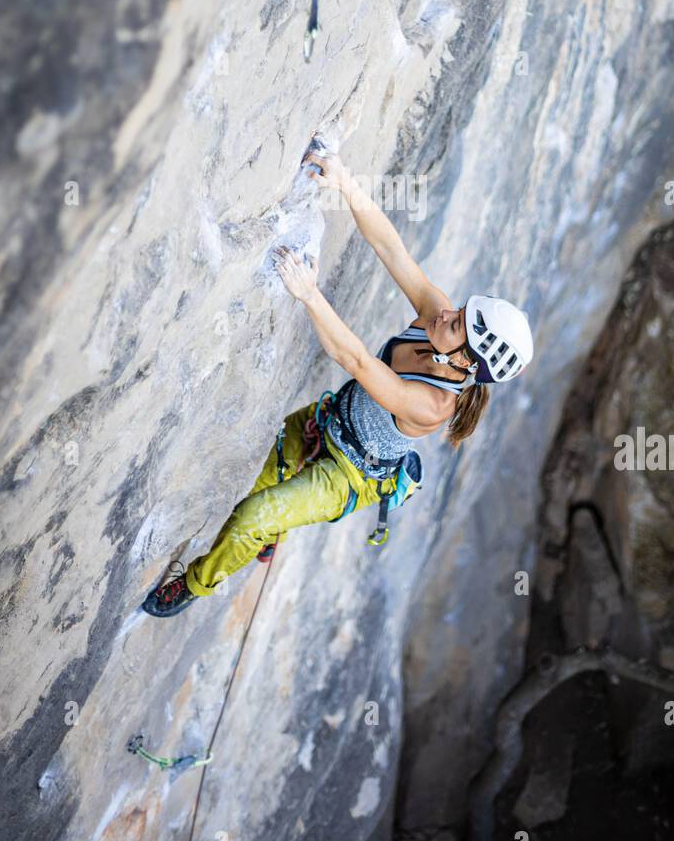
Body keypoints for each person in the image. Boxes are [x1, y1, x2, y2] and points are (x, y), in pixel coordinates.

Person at [142, 151, 533, 618]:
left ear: (466, 361)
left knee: (253, 517)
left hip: (349, 475)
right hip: (325, 422)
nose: (448, 313)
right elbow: (391, 249)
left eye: (458, 325)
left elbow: (357, 361)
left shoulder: (433, 404)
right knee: (257, 496)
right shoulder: (440, 320)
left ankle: (194, 584)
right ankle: (271, 531)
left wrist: (308, 294)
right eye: (461, 310)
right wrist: (347, 183)